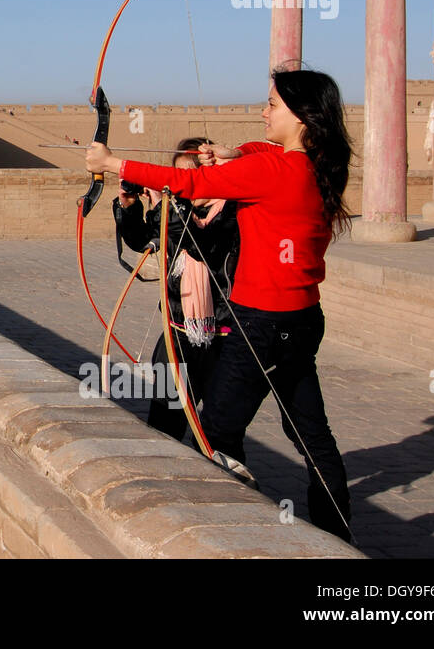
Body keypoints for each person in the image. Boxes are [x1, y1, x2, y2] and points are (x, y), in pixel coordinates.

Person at [88, 66, 354, 542]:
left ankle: (235, 531)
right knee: (313, 438)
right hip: (302, 320)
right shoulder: (316, 163)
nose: (263, 111)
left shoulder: (273, 170)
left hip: (262, 325)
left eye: (273, 105)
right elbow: (261, 154)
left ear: (302, 116)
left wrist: (114, 164)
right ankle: (339, 537)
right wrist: (233, 152)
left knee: (214, 434)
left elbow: (186, 184)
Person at [113, 137, 239, 442]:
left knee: (218, 432)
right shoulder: (176, 212)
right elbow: (143, 240)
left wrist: (169, 206)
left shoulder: (230, 211)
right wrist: (130, 206)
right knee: (165, 423)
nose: (182, 184)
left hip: (222, 338)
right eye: (177, 176)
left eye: (189, 177)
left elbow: (199, 245)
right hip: (177, 335)